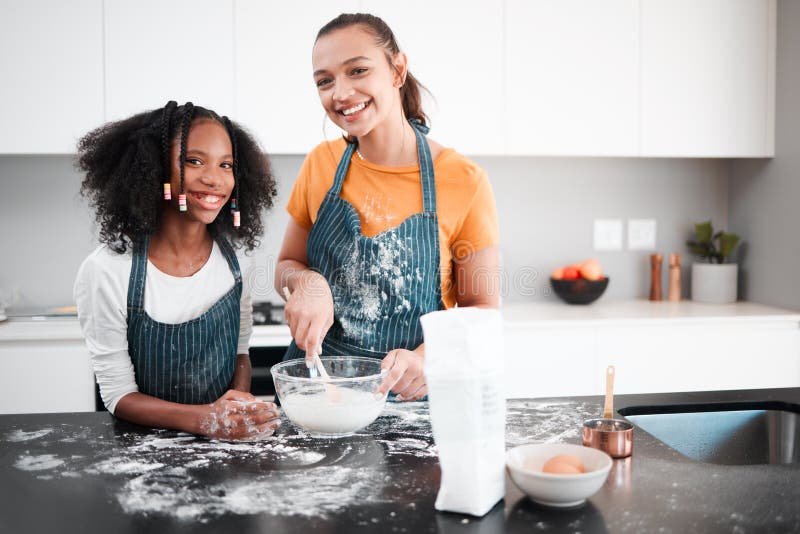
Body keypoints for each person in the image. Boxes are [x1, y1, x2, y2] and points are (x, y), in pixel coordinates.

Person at [276, 14, 500, 401]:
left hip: (412, 397)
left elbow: (483, 311)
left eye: (357, 70)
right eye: (324, 81)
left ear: (398, 70)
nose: (341, 93)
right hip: (317, 390)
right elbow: (286, 266)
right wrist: (306, 282)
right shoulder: (321, 164)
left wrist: (430, 357)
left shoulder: (464, 179)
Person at [75, 101, 281, 440]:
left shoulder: (237, 260)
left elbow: (240, 352)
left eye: (226, 165)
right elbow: (118, 396)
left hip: (224, 446)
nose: (215, 179)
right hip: (141, 456)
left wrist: (239, 397)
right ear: (155, 169)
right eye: (194, 160)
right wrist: (206, 419)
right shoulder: (107, 270)